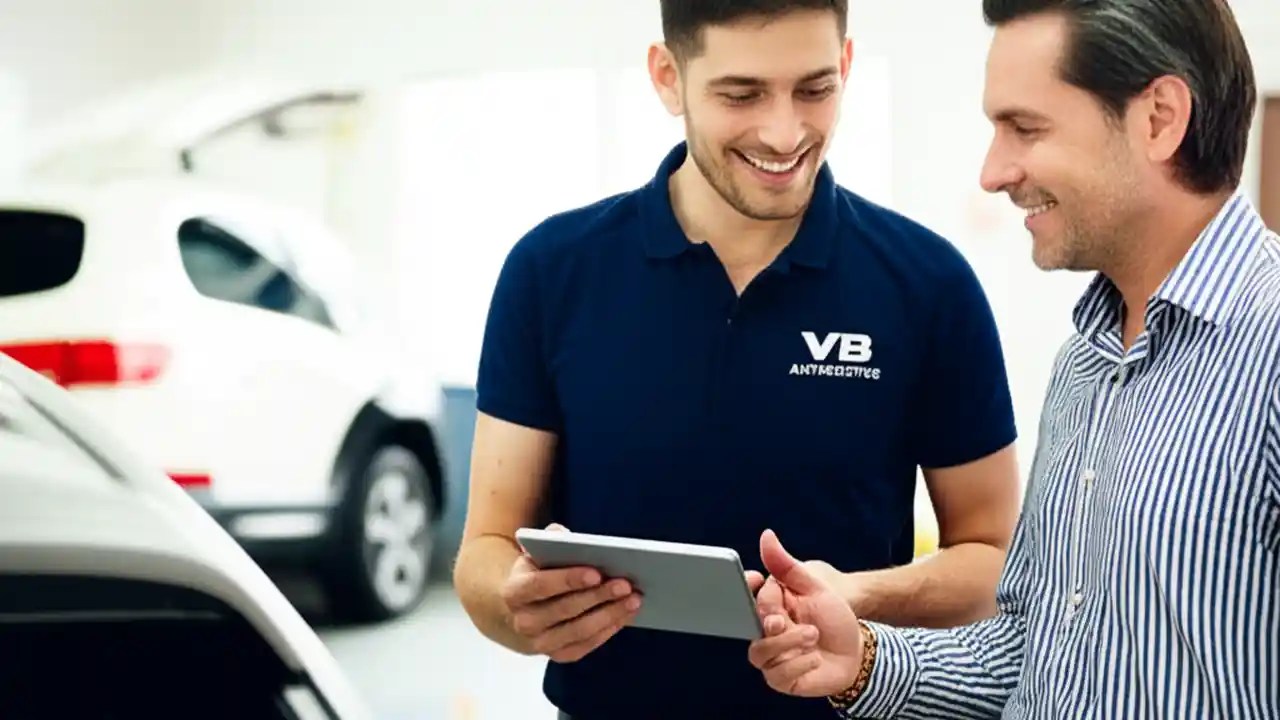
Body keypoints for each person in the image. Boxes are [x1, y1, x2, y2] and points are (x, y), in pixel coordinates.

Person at [452, 1, 1023, 717]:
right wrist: (517, 607)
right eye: (742, 93)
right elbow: (485, 549)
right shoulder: (552, 273)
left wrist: (855, 596)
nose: (784, 133)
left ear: (845, 66)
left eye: (814, 88)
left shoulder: (929, 286)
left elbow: (996, 562)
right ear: (669, 78)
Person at [745, 1, 1280, 718]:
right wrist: (862, 657)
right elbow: (1036, 648)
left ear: (1159, 118)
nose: (994, 172)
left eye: (1025, 128)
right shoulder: (1085, 362)